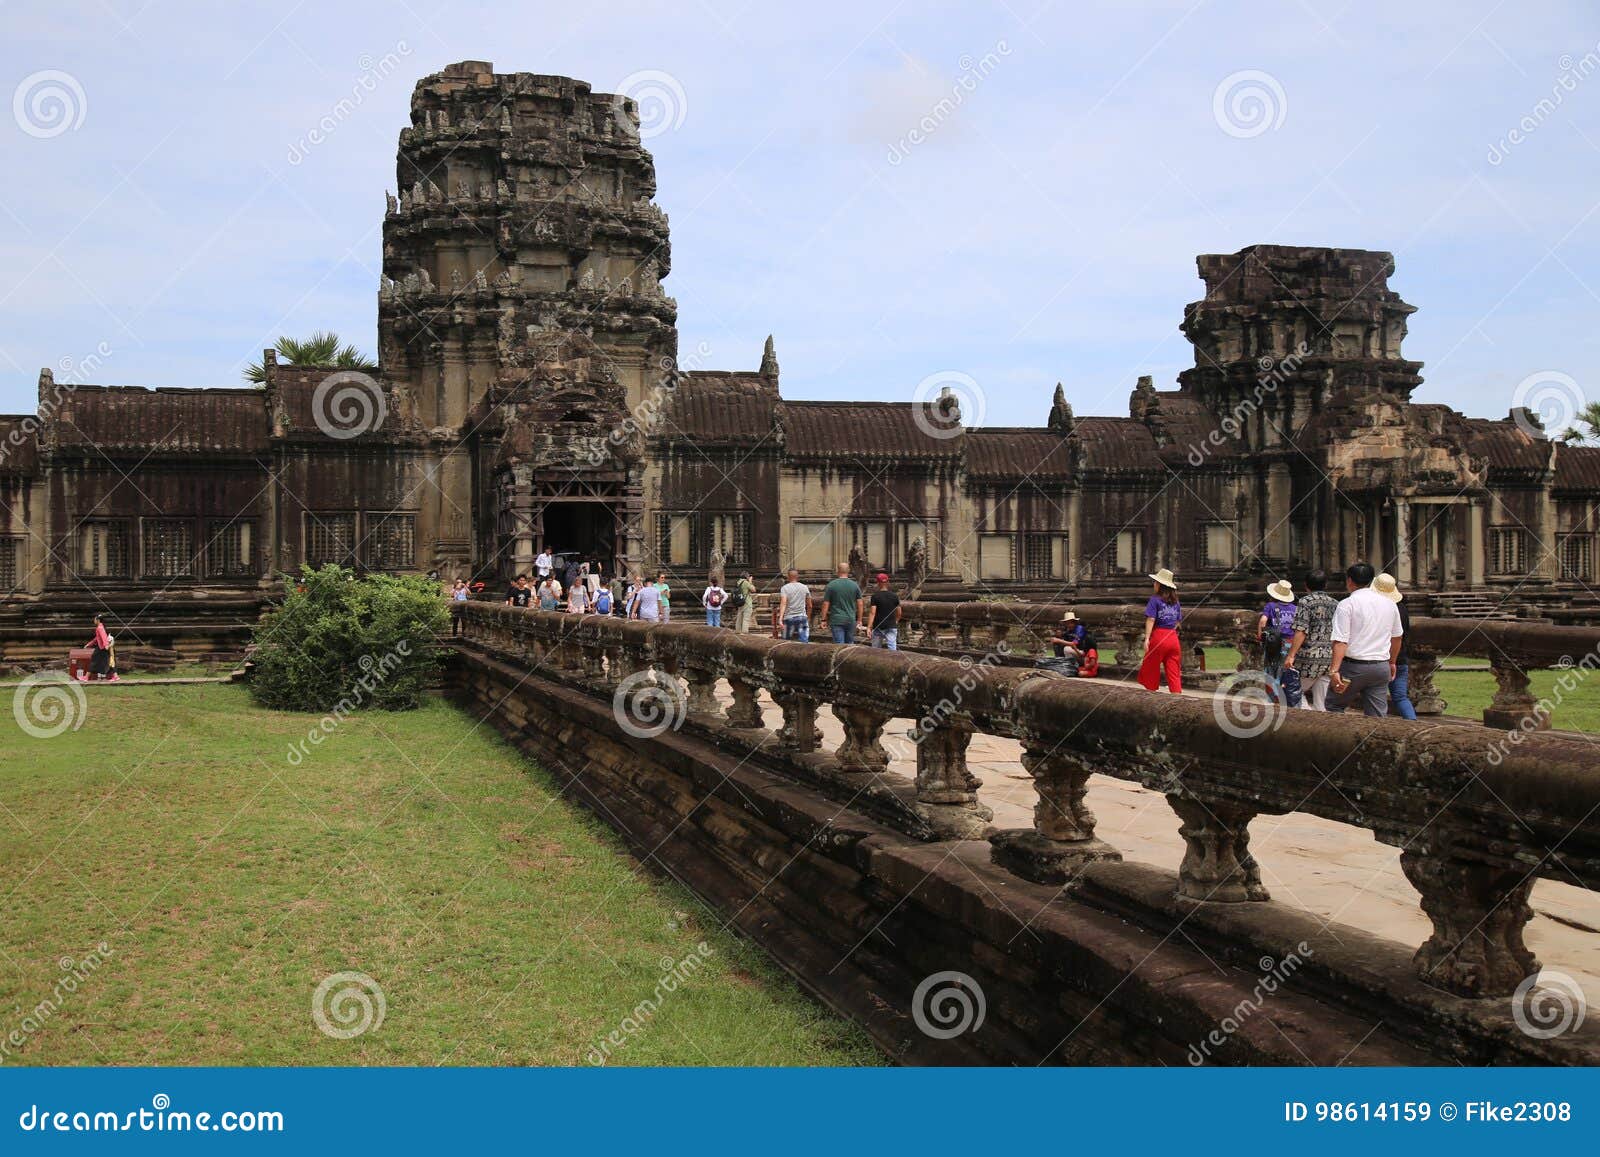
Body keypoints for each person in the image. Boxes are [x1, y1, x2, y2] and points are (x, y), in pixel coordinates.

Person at [1326, 562, 1403, 717]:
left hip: (1353, 667)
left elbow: (1341, 641)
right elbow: (1397, 637)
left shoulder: (1347, 604)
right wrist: (1392, 662)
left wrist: (1334, 670)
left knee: (1334, 706)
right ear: (1371, 580)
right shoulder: (1390, 604)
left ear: (1349, 581)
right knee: (1377, 716)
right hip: (1380, 667)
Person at [1283, 568, 1337, 710]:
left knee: (1294, 692)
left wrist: (1291, 655)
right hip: (1328, 657)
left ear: (1306, 585)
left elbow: (1301, 630)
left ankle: (1306, 715)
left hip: (1308, 656)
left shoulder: (1305, 602)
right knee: (1322, 702)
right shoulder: (1335, 603)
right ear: (1325, 585)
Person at [1371, 572, 1418, 720]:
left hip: (1380, 658)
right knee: (1400, 697)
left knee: (1374, 697)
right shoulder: (1402, 608)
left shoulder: (1378, 609)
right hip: (1400, 658)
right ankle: (1412, 723)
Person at [1137, 568, 1182, 694]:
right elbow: (1177, 622)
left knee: (1150, 668)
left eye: (1156, 582)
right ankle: (1177, 696)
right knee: (1174, 671)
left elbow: (1151, 619)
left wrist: (1147, 638)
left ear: (1160, 585)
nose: (1154, 584)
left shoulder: (1155, 599)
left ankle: (1151, 694)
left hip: (1159, 636)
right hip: (1173, 638)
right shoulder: (1176, 602)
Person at [1257, 579, 1298, 690]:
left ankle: (1272, 693)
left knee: (1270, 667)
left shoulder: (1270, 606)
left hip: (1274, 641)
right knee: (1284, 668)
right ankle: (1282, 691)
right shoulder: (1295, 608)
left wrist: (1260, 635)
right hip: (1290, 642)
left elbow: (1263, 621)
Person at [819, 562, 864, 645]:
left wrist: (823, 619)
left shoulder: (831, 585)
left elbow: (826, 604)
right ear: (848, 570)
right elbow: (860, 604)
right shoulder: (854, 585)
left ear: (837, 570)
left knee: (839, 644)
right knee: (850, 643)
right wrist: (859, 620)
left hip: (837, 619)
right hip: (850, 618)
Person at [865, 572, 902, 650]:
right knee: (892, 648)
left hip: (878, 625)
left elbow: (872, 613)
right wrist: (896, 621)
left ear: (878, 583)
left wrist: (869, 627)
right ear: (888, 582)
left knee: (876, 649)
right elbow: (899, 612)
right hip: (891, 625)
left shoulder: (875, 596)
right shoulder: (894, 596)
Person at [774, 568, 812, 641]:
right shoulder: (805, 587)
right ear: (797, 576)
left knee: (785, 641)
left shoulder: (785, 588)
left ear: (788, 577)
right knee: (804, 642)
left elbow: (783, 603)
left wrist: (780, 619)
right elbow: (810, 605)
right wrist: (808, 617)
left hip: (789, 617)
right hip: (802, 617)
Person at [81, 614, 118, 683]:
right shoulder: (101, 627)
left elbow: (103, 636)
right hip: (103, 647)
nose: (94, 620)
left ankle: (86, 677)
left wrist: (106, 645)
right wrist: (89, 644)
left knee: (94, 661)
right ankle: (115, 676)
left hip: (102, 648)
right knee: (109, 661)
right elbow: (97, 638)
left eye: (95, 619)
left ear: (98, 620)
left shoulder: (100, 627)